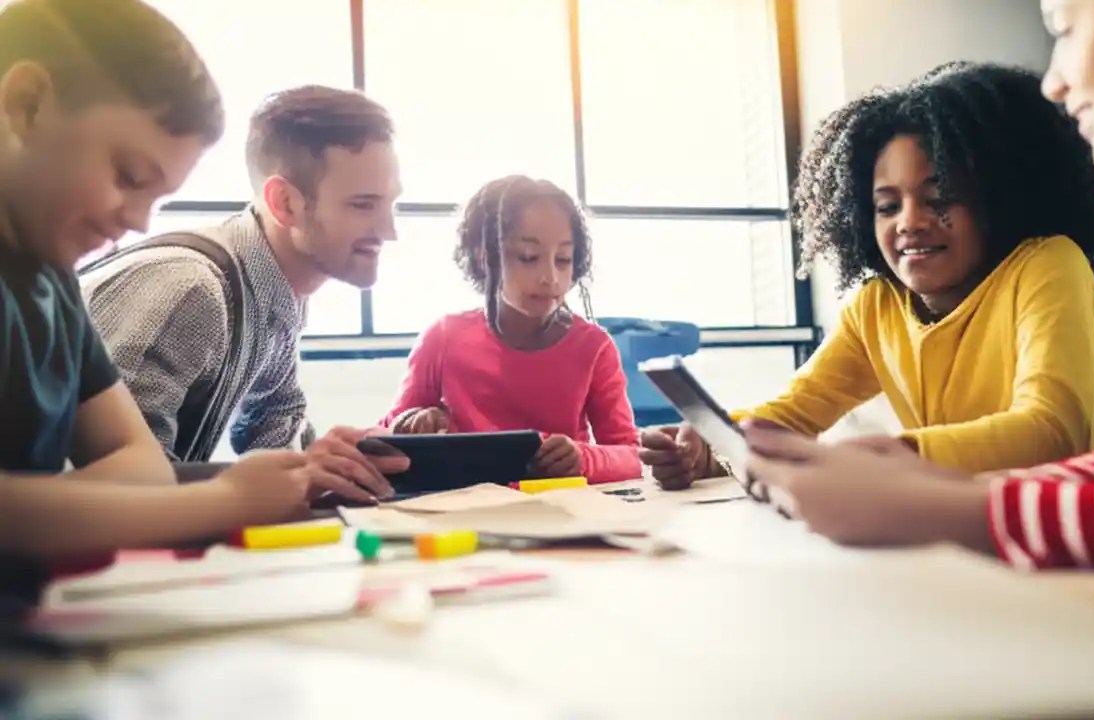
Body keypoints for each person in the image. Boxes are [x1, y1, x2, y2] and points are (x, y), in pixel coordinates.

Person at [745, 0, 1094, 574]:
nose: (1053, 82)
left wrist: (944, 507)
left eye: (1065, 30)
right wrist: (916, 488)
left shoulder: (1047, 263)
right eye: (887, 205)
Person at [642, 61, 1094, 489]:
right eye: (887, 206)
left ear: (1001, 199)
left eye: (940, 198)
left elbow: (1050, 431)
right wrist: (712, 446)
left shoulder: (1048, 264)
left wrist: (891, 454)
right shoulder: (878, 304)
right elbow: (792, 413)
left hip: (1074, 536)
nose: (909, 221)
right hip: (960, 533)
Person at [0, 0, 311, 613]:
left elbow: (142, 463)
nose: (140, 221)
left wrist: (33, 515)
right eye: (128, 175)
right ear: (27, 105)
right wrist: (220, 502)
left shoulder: (52, 280)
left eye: (159, 197)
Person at [81, 85, 409, 504]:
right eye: (363, 205)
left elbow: (273, 431)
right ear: (285, 203)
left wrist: (333, 465)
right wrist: (299, 473)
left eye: (390, 205)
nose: (390, 231)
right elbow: (119, 492)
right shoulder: (194, 292)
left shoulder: (276, 288)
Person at [381, 175, 641, 484]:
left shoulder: (594, 347)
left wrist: (583, 458)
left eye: (563, 259)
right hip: (464, 511)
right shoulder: (443, 338)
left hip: (561, 511)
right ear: (484, 255)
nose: (550, 277)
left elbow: (631, 455)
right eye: (529, 258)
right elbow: (385, 439)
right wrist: (410, 424)